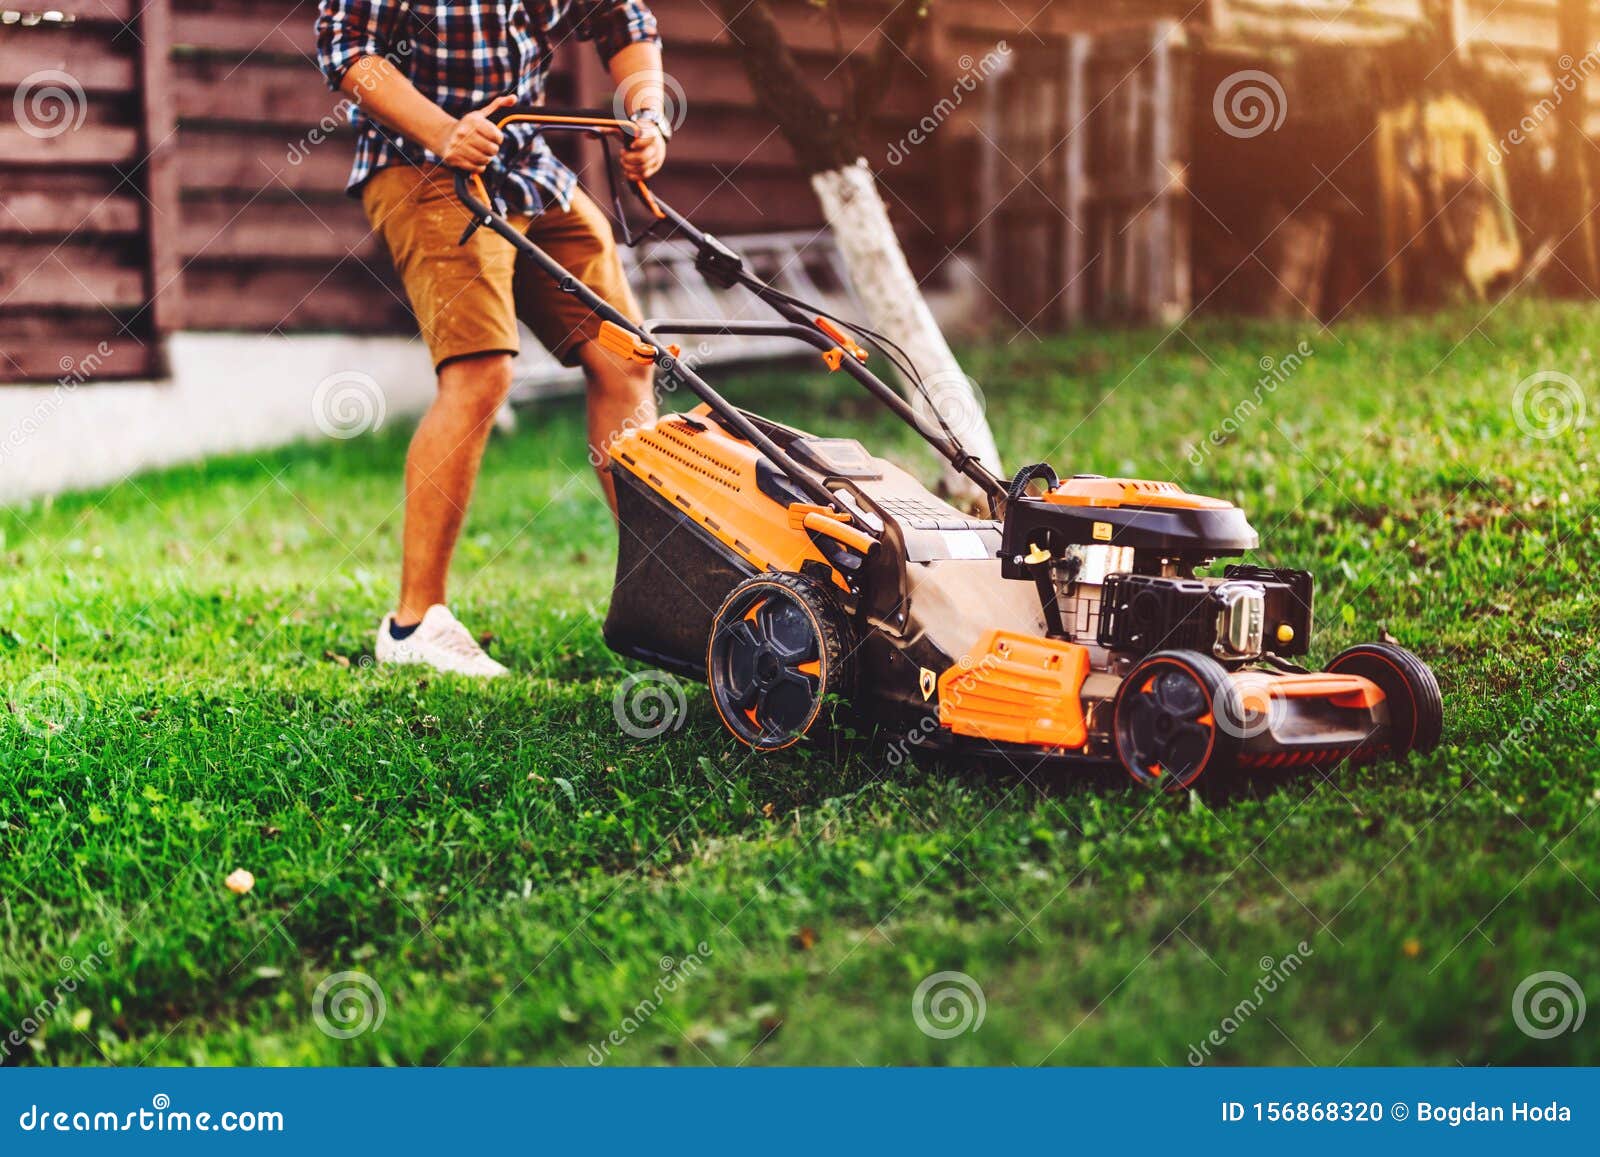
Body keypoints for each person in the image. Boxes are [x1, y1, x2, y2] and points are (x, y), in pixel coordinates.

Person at [315, 1, 668, 677]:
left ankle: (665, 597)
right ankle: (414, 622)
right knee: (480, 371)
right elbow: (347, 50)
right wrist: (446, 132)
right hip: (419, 162)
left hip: (522, 159)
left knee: (627, 356)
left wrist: (649, 115)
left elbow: (626, 22)